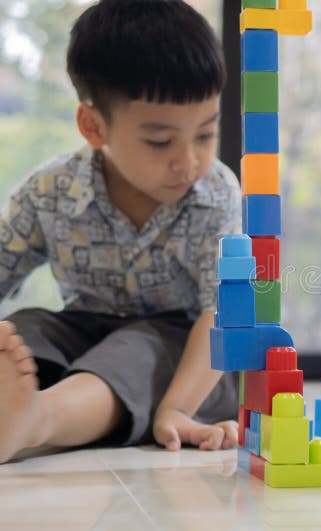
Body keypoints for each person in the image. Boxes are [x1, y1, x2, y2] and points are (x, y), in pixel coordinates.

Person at [0, 0, 242, 464]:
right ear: (94, 126)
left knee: (136, 352)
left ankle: (35, 421)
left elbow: (222, 316)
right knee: (27, 330)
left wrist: (176, 409)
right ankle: (18, 404)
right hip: (83, 328)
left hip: (185, 354)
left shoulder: (214, 195)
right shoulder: (50, 191)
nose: (188, 161)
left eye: (206, 134)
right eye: (160, 141)